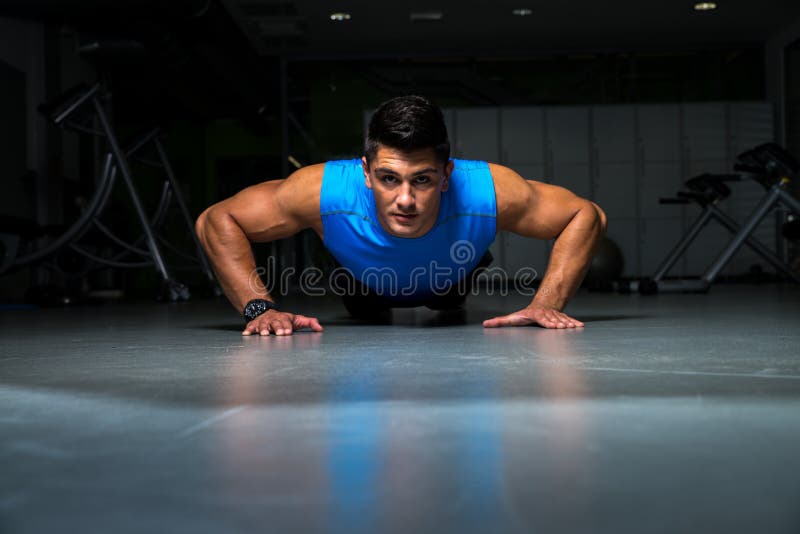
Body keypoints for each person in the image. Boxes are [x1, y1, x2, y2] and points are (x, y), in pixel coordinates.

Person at [195, 95, 607, 336]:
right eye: (388, 178)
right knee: (366, 308)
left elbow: (586, 215)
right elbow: (215, 219)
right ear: (365, 172)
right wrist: (259, 308)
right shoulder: (323, 190)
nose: (405, 200)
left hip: (451, 276)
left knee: (449, 300)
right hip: (364, 282)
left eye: (422, 179)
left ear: (447, 174)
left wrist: (546, 303)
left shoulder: (490, 191)